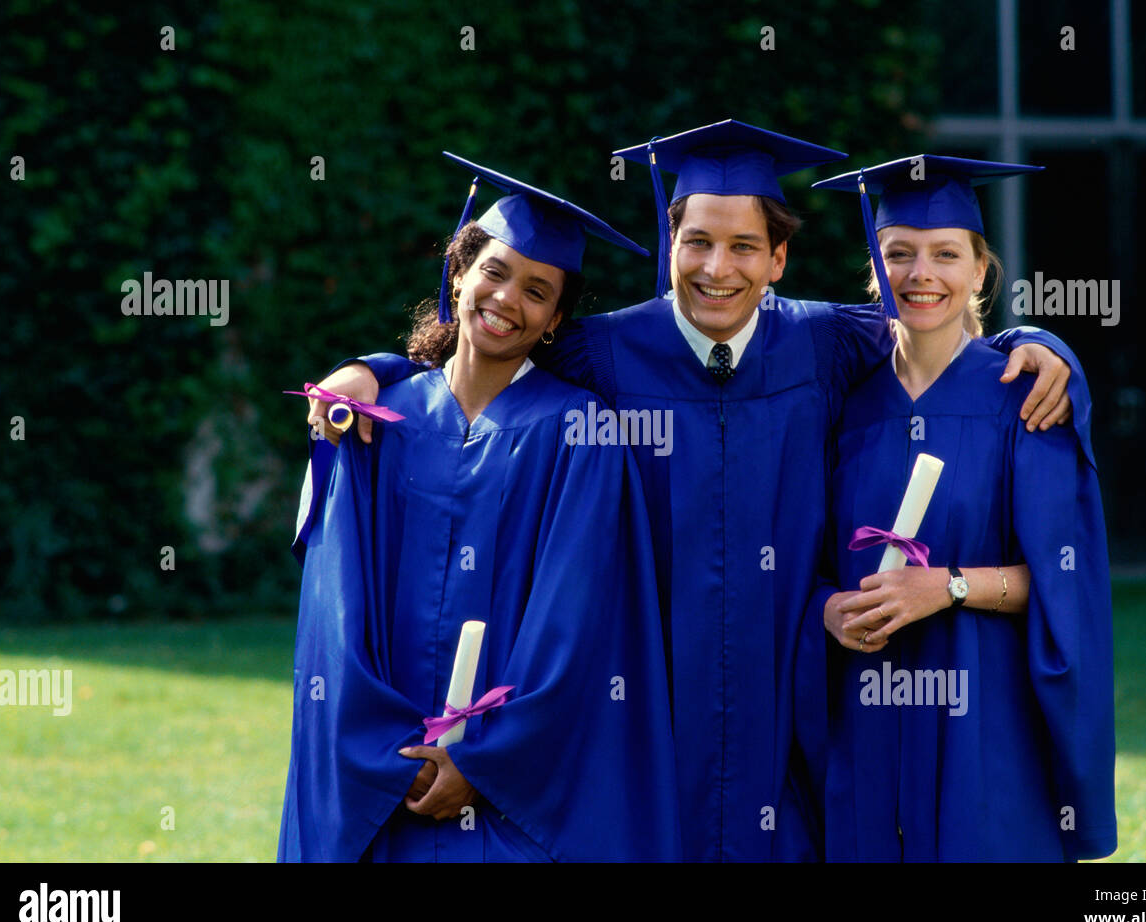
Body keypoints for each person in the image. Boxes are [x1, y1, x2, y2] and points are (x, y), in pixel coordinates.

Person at [305, 121, 1084, 862]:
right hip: (644, 701)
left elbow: (930, 330)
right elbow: (490, 354)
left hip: (782, 696)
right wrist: (376, 370)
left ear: (778, 258)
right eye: (698, 241)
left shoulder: (822, 341)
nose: (718, 267)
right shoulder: (605, 351)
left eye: (745, 245)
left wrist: (1038, 344)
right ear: (669, 241)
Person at [278, 155, 681, 862]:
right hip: (389, 780)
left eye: (537, 290)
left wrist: (485, 762)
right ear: (458, 273)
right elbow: (334, 609)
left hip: (511, 797)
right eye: (495, 272)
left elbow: (578, 624)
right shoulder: (378, 421)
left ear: (556, 320)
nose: (507, 299)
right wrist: (387, 751)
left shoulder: (580, 433)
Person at [808, 155, 1116, 861]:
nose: (921, 274)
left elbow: (1065, 578)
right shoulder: (841, 405)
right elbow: (804, 564)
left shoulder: (1027, 398)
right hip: (867, 713)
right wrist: (829, 607)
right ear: (874, 267)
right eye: (899, 254)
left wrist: (943, 587)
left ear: (980, 271)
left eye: (946, 254)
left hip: (986, 715)